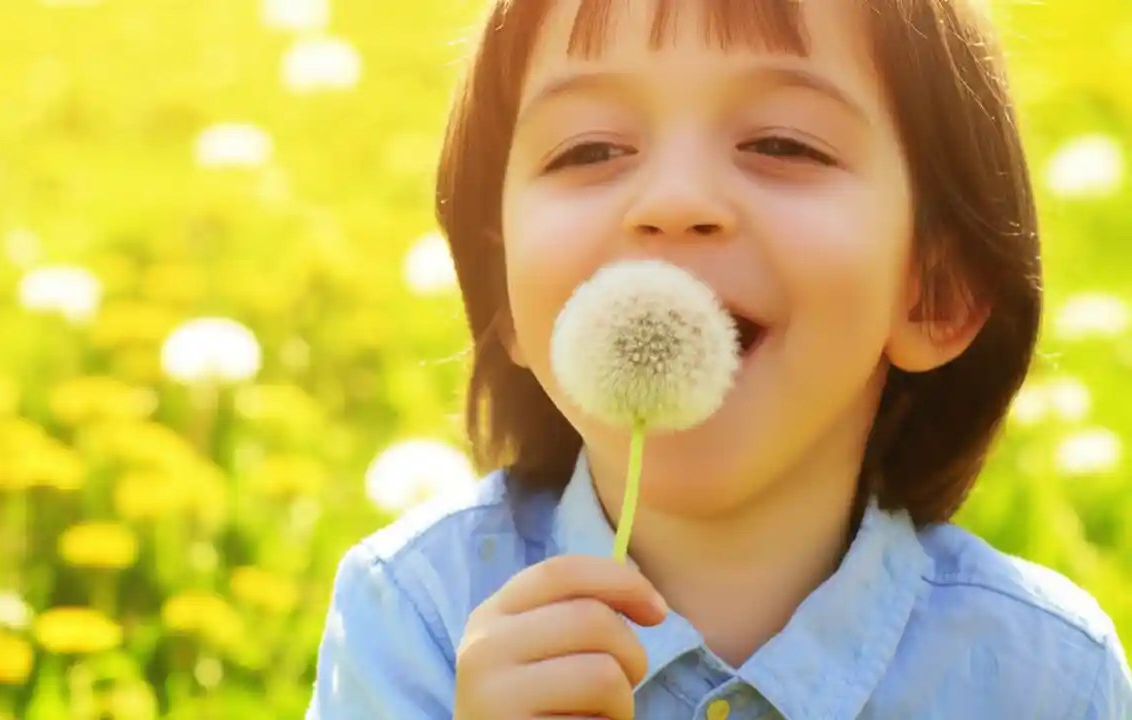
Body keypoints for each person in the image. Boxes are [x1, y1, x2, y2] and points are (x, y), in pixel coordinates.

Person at [307, 0, 1132, 717]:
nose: (675, 202)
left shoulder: (1046, 677)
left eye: (782, 143)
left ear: (936, 289)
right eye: (589, 150)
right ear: (502, 291)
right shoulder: (416, 618)